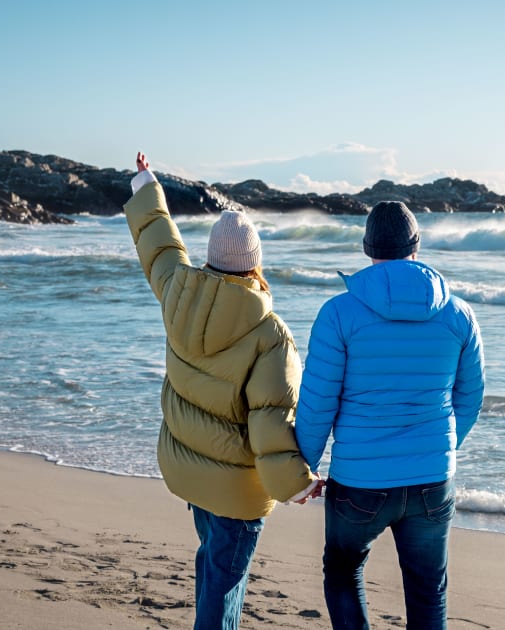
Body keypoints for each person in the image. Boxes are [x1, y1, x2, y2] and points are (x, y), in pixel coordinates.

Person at [123, 152, 321, 630]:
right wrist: (298, 484)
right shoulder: (270, 333)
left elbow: (158, 243)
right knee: (224, 582)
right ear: (255, 265)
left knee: (213, 562)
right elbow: (271, 421)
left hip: (189, 468)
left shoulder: (177, 290)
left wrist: (146, 182)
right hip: (236, 486)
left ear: (212, 256)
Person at [295, 201, 485, 630]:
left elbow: (318, 402)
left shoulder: (338, 314)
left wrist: (301, 468)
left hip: (359, 483)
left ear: (368, 249)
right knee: (427, 587)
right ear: (416, 246)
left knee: (343, 571)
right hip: (432, 480)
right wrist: (441, 449)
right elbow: (470, 397)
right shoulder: (459, 314)